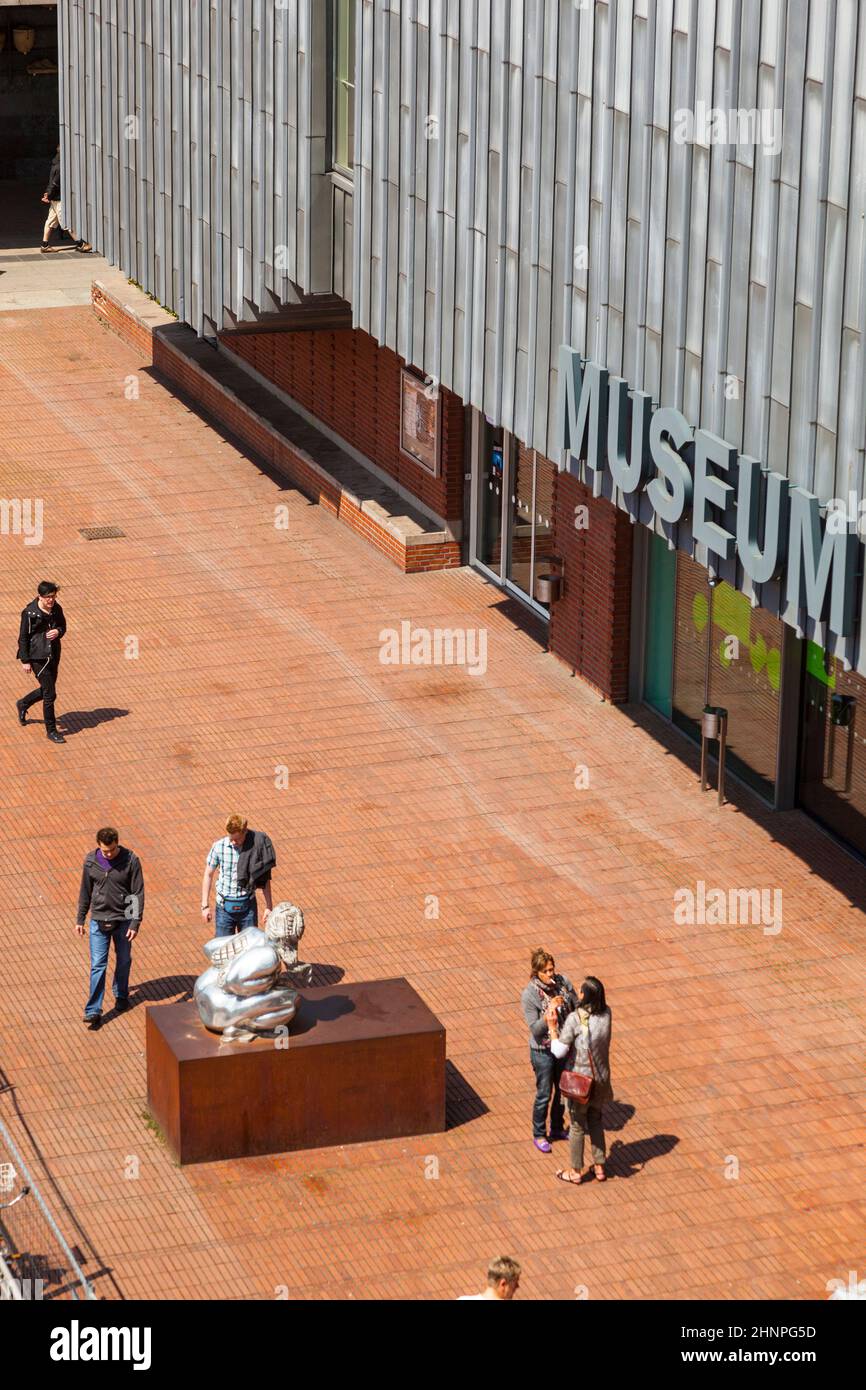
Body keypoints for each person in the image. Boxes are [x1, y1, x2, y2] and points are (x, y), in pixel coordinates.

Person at [76, 828, 145, 1029]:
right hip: (98, 921)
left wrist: (134, 922)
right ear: (99, 845)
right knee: (98, 964)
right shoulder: (91, 862)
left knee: (123, 960)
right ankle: (93, 1010)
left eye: (112, 850)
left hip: (123, 921)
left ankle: (121, 994)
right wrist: (80, 919)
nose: (108, 854)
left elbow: (137, 893)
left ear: (117, 843)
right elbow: (85, 892)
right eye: (105, 851)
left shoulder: (131, 860)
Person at [548, 976, 613, 1185]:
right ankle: (600, 1166)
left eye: (581, 990)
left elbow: (558, 1051)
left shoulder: (576, 1019)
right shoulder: (607, 1014)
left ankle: (575, 1171)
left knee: (577, 1125)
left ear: (585, 996)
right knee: (595, 1120)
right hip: (601, 1080)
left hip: (581, 1082)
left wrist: (552, 1027)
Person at [521, 949, 579, 1152]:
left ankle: (556, 1127)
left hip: (562, 1046)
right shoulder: (530, 994)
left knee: (562, 1091)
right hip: (542, 1051)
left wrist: (569, 997)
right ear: (537, 972)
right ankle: (539, 1133)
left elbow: (577, 1005)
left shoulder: (563, 982)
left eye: (552, 969)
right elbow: (535, 1030)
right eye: (546, 971)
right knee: (544, 1093)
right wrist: (548, 1014)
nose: (551, 974)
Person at [201, 815, 276, 937]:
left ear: (245, 832)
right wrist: (205, 906)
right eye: (231, 838)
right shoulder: (219, 847)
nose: (234, 842)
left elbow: (264, 878)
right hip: (224, 909)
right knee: (223, 950)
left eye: (237, 839)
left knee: (249, 950)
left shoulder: (256, 847)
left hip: (248, 909)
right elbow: (208, 875)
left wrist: (269, 906)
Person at [16, 581, 67, 744]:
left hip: (53, 654)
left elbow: (63, 626)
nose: (51, 600)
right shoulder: (29, 613)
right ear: (40, 596)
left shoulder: (56, 608)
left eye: (53, 597)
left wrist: (58, 631)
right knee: (50, 694)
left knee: (47, 688)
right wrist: (25, 660)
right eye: (48, 597)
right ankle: (51, 731)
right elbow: (23, 638)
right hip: (37, 656)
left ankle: (23, 703)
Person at [41, 145, 92, 254]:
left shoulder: (55, 163)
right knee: (67, 221)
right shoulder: (61, 166)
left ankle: (44, 245)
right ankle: (81, 244)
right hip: (58, 199)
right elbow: (55, 183)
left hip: (54, 198)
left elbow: (51, 182)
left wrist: (48, 194)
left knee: (50, 221)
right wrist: (49, 195)